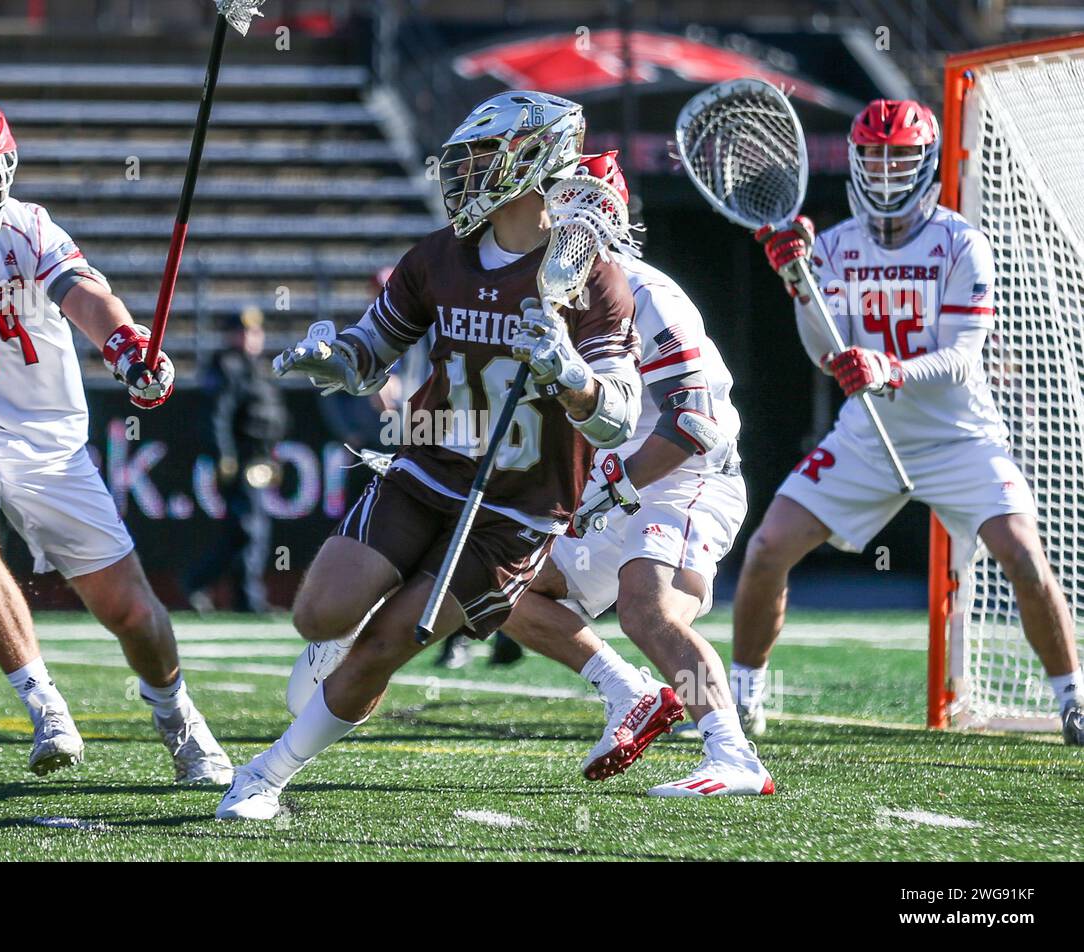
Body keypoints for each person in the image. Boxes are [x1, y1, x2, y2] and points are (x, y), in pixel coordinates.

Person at [217, 90, 643, 819]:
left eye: (481, 157)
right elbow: (373, 349)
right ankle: (331, 644)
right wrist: (338, 359)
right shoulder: (440, 256)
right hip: (427, 467)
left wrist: (572, 376)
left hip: (515, 507)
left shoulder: (590, 276)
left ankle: (265, 775)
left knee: (388, 642)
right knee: (319, 613)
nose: (464, 172)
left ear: (532, 160)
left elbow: (618, 418)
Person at [0, 84, 232, 779]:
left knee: (132, 611)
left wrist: (125, 345)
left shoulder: (28, 225)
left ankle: (178, 716)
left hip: (45, 436)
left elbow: (84, 294)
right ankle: (44, 701)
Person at [730, 99, 1083, 745]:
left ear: (927, 162)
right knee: (766, 551)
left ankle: (1073, 700)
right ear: (857, 161)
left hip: (958, 437)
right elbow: (824, 353)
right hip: (868, 434)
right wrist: (800, 283)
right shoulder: (833, 245)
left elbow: (961, 358)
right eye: (875, 156)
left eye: (900, 157)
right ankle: (741, 696)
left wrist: (890, 369)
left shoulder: (960, 241)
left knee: (1025, 559)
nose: (887, 170)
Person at [498, 152, 772, 796]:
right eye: (558, 207)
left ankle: (733, 755)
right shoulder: (541, 298)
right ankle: (631, 693)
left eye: (579, 208)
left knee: (648, 612)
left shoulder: (648, 294)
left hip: (683, 475)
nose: (564, 224)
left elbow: (693, 425)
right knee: (495, 584)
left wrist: (617, 486)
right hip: (612, 480)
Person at [185, 306, 286, 613]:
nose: (249, 338)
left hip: (259, 458)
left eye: (254, 332)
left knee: (247, 531)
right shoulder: (227, 366)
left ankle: (214, 588)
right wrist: (225, 457)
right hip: (241, 459)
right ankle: (236, 595)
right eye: (242, 332)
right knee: (248, 529)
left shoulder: (256, 367)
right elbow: (218, 415)